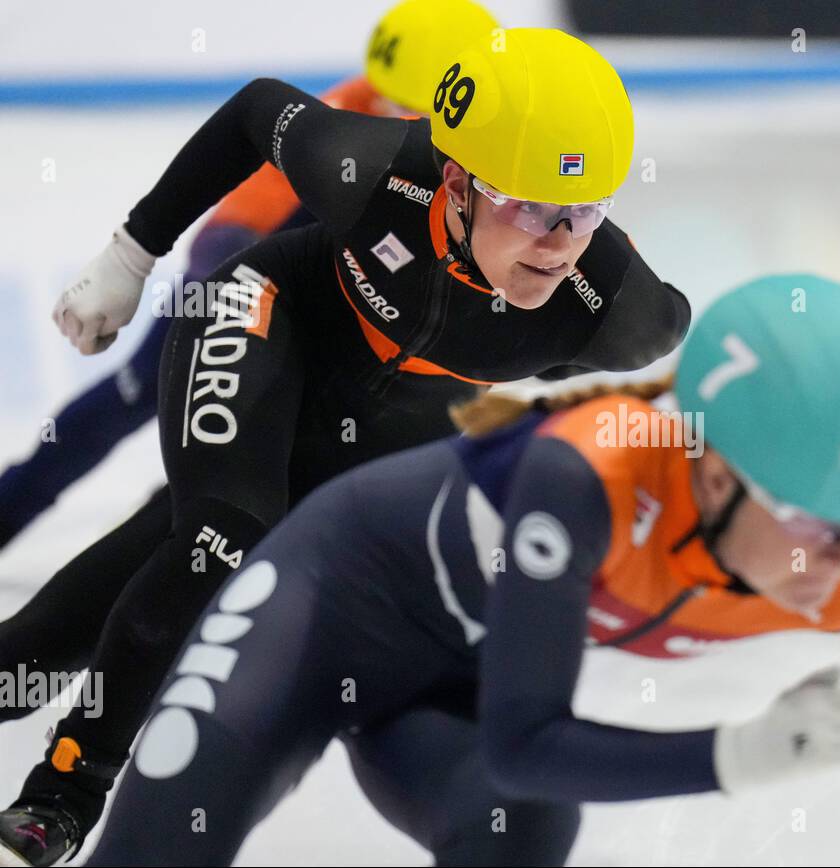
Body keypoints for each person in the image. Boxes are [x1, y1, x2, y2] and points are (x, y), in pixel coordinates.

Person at [0, 25, 690, 866]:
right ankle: (65, 793)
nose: (558, 244)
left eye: (586, 213)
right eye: (533, 208)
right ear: (459, 182)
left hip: (396, 420)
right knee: (221, 536)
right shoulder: (378, 170)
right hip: (272, 316)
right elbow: (256, 110)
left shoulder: (619, 315)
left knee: (159, 563)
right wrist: (130, 255)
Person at [78, 273, 840, 867]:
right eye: (817, 528)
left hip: (445, 687)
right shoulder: (588, 475)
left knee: (523, 824)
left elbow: (516, 765)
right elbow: (528, 743)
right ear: (714, 475)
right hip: (318, 608)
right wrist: (733, 756)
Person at [0, 0, 496, 553]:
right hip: (242, 270)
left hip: (274, 269)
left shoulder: (381, 103)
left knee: (153, 408)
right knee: (165, 408)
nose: (391, 110)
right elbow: (234, 235)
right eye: (394, 103)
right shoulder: (368, 134)